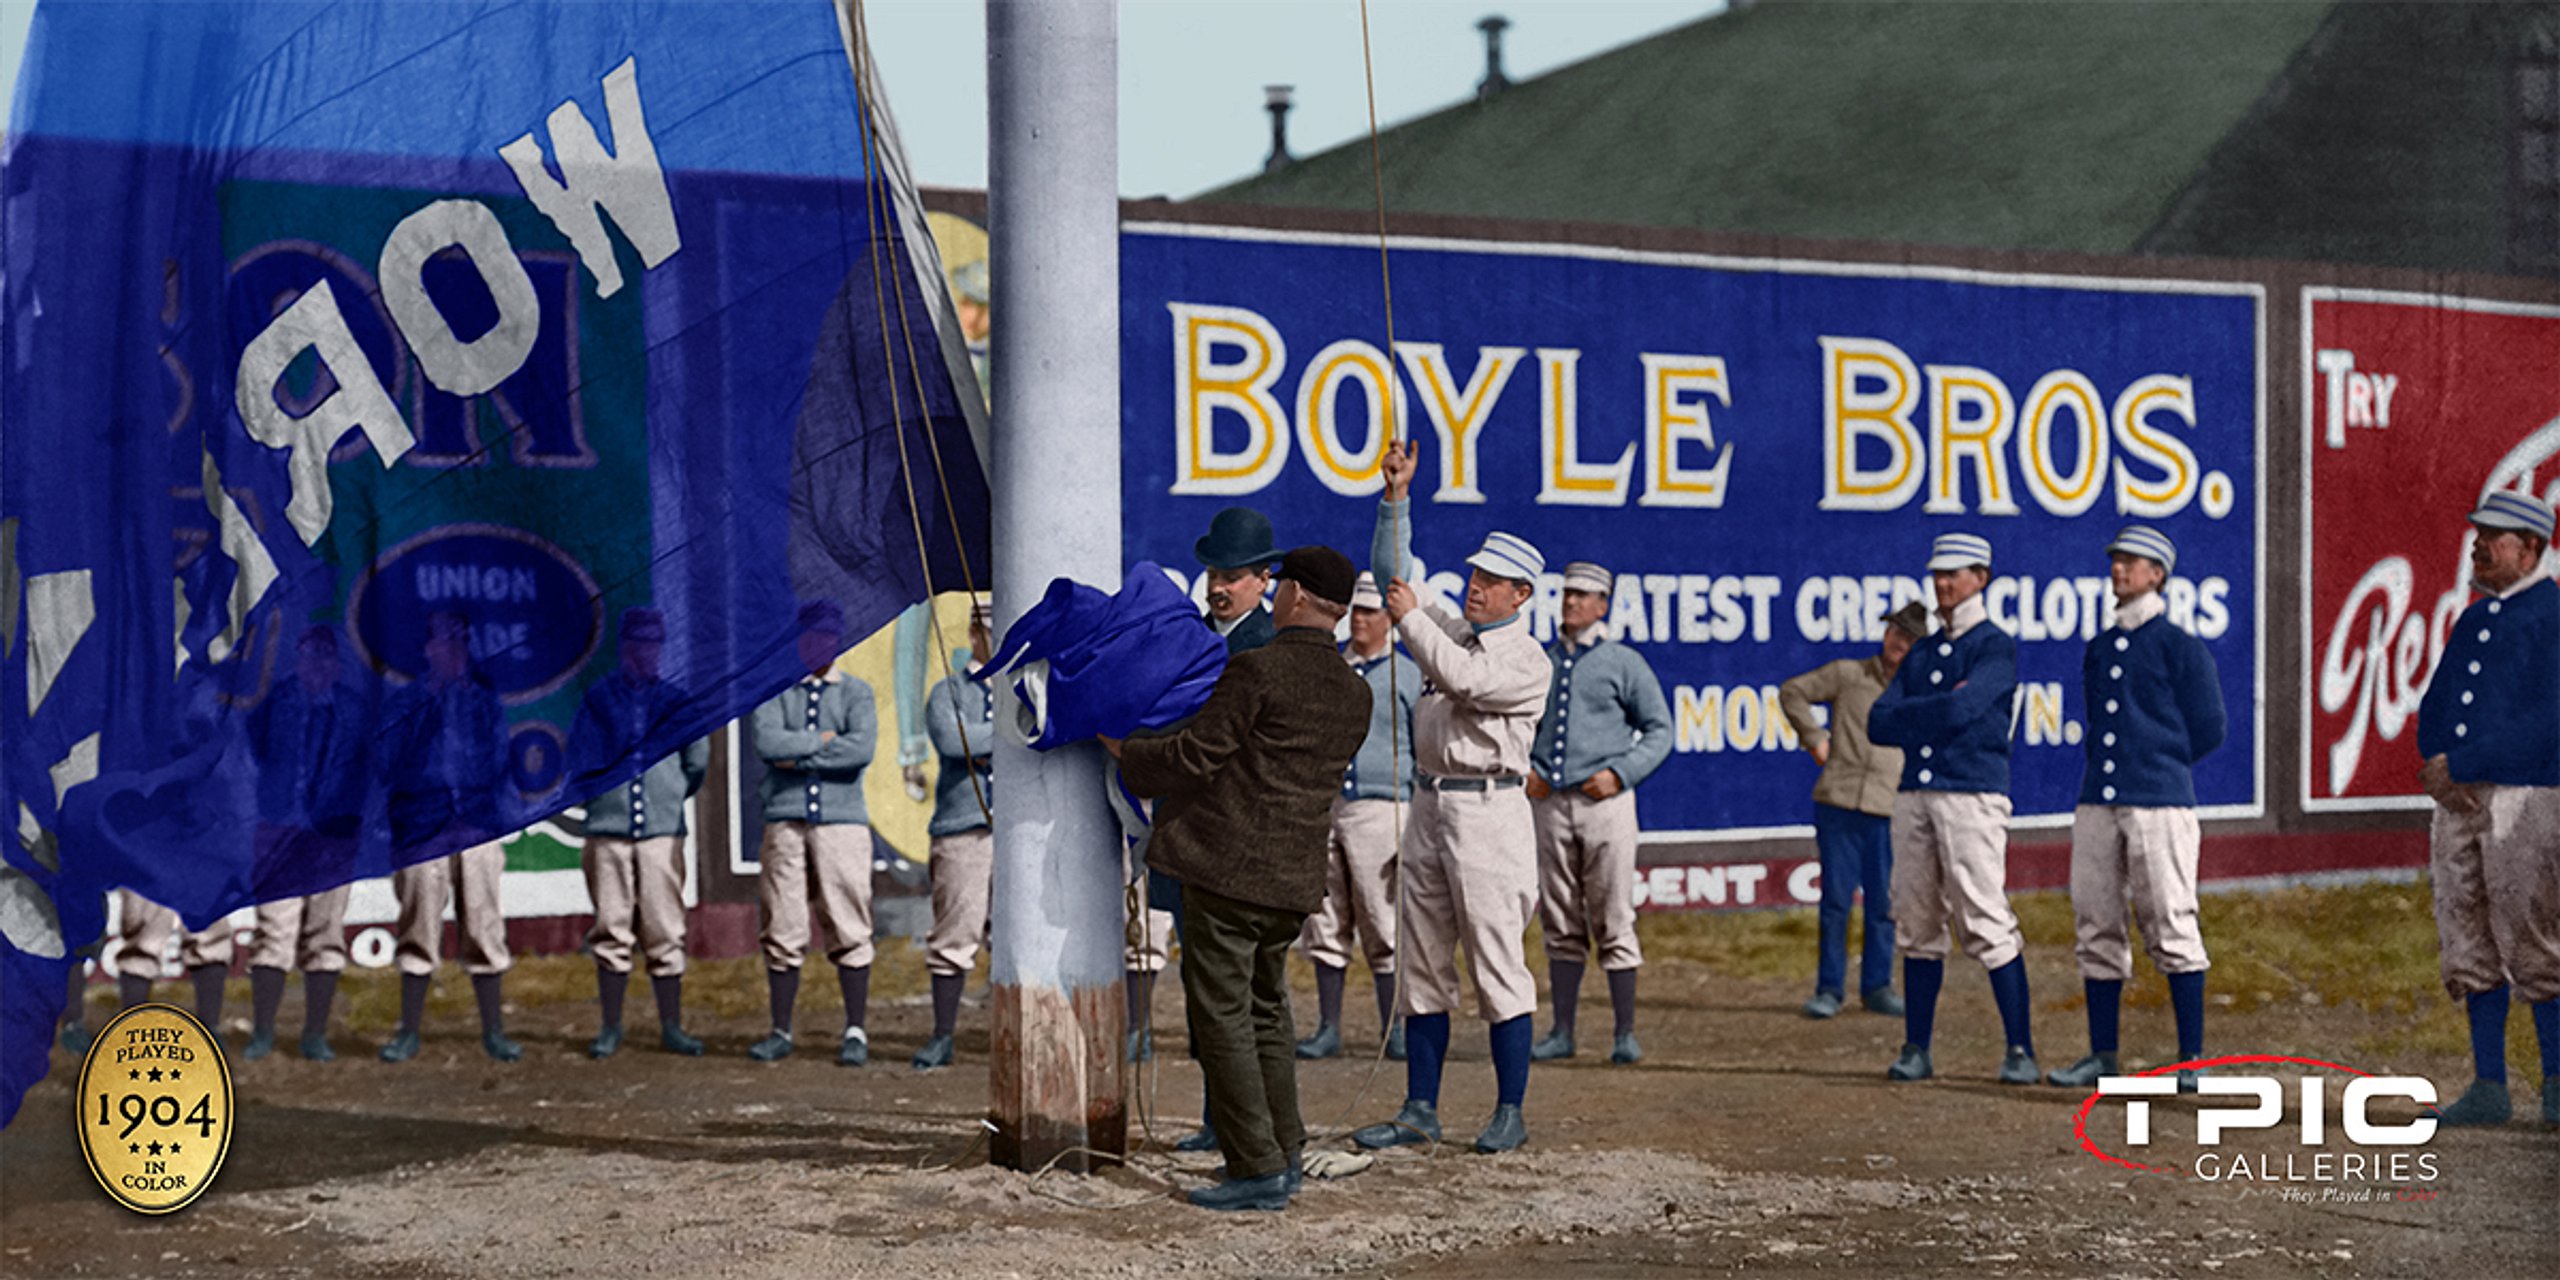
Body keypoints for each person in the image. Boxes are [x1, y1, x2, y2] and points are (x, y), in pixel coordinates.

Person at [1106, 546, 1372, 1212]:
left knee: (1223, 1020)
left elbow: (1197, 756)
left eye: (1281, 585)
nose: (1273, 593)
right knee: (1267, 1015)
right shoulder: (1354, 689)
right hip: (1291, 881)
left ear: (1302, 598)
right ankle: (1283, 1148)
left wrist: (1126, 752)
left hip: (1226, 873)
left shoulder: (1257, 669)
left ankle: (1255, 1167)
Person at [1352, 439, 1551, 1155]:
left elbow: (1464, 680)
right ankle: (1419, 1109)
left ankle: (1510, 1109)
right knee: (1423, 960)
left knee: (1498, 959)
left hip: (1491, 810)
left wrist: (1406, 619)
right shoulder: (1459, 628)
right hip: (1430, 803)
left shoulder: (1527, 656)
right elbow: (1393, 577)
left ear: (1520, 595)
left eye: (1492, 580)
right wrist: (1396, 498)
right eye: (1474, 572)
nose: (1476, 584)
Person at [2047, 527, 2227, 1090]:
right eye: (2117, 560)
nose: (2119, 570)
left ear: (2158, 575)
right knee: (2096, 921)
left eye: (2133, 562)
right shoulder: (2101, 646)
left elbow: (2210, 727)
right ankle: (2103, 1056)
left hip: (2160, 801)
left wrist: (2160, 766)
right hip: (2098, 800)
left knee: (2172, 921)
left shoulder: (2179, 645)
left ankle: (2191, 1061)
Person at [1867, 533, 2037, 1085]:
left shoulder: (1993, 645)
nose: (1943, 584)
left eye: (1956, 573)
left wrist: (1923, 711)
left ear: (1980, 577)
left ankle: (2019, 1049)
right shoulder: (1924, 649)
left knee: (1986, 918)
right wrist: (1937, 709)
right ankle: (1916, 1047)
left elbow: (1966, 708)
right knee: (1916, 920)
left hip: (1972, 793)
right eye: (1938, 573)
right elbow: (1877, 721)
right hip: (1915, 793)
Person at [2412, 491, 2560, 1126]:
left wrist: (2465, 764)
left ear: (2530, 550)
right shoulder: (2475, 619)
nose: (2479, 545)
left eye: (2494, 537)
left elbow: (2550, 721)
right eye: (2478, 534)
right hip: (2461, 801)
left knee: (2534, 938)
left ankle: (2555, 1086)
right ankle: (2489, 1086)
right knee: (2466, 934)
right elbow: (2438, 701)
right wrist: (2437, 764)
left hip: (2524, 796)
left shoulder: (2553, 613)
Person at [1525, 561, 1671, 1066]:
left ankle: (1624, 1033)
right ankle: (1562, 1030)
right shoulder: (1540, 659)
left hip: (1605, 804)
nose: (1572, 603)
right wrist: (1527, 768)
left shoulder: (1622, 662)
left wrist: (1620, 773)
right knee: (1559, 916)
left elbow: (1659, 729)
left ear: (1603, 605)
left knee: (1613, 914)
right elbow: (1518, 723)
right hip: (1549, 804)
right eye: (1567, 594)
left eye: (1584, 596)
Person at [567, 608, 712, 1059]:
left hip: (660, 832)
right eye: (635, 644)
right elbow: (579, 762)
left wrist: (665, 797)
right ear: (621, 648)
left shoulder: (676, 702)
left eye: (651, 644)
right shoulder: (597, 699)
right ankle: (611, 1026)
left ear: (661, 649)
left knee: (665, 927)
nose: (642, 652)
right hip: (608, 831)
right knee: (611, 925)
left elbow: (696, 763)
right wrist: (604, 804)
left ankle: (672, 1024)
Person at [380, 609, 519, 1064]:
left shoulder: (483, 700)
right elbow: (387, 765)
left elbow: (501, 763)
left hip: (476, 827)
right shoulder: (406, 702)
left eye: (460, 640)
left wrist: (498, 819)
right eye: (443, 641)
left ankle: (493, 1032)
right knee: (418, 928)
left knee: (483, 924)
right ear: (427, 648)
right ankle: (409, 1031)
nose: (452, 649)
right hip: (423, 828)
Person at [747, 599, 880, 1066]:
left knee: (849, 922)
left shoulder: (856, 693)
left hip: (842, 823)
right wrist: (824, 741)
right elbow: (767, 743)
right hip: (784, 821)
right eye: (811, 637)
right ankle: (780, 1030)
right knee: (782, 924)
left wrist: (797, 754)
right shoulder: (774, 690)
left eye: (828, 637)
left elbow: (859, 750)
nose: (819, 645)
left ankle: (856, 1031)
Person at [1777, 602, 1923, 1021]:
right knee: (1836, 901)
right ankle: (1829, 989)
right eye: (1895, 632)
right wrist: (1814, 737)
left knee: (1883, 903)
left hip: (1889, 807)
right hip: (1838, 803)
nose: (1899, 642)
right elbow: (1793, 691)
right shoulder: (1849, 674)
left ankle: (1878, 986)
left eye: (1909, 637)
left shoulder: (1919, 691)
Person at [1296, 572, 1418, 1062]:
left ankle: (1396, 1028)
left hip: (1382, 807)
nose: (1362, 620)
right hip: (1329, 804)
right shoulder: (1331, 667)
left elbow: (1423, 743)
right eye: (1357, 611)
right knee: (1325, 919)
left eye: (1372, 611)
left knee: (1383, 917)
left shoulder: (1408, 674)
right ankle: (1329, 1027)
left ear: (1390, 618)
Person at [240, 625, 367, 1062]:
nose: (316, 664)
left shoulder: (354, 710)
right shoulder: (277, 702)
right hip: (280, 833)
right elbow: (250, 753)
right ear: (296, 660)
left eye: (324, 655)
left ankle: (315, 1033)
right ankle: (262, 1032)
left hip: (333, 837)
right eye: (308, 655)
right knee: (273, 929)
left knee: (326, 933)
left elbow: (369, 769)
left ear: (337, 662)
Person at [914, 597, 998, 1071]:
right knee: (954, 931)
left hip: (1019, 831)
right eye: (985, 627)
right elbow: (953, 742)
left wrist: (987, 741)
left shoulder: (1022, 686)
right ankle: (942, 1035)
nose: (993, 635)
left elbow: (1038, 732)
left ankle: (1016, 1033)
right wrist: (1004, 737)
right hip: (963, 828)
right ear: (972, 634)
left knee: (1017, 936)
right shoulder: (948, 691)